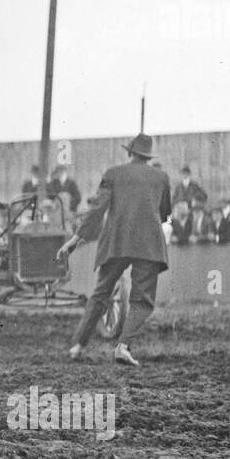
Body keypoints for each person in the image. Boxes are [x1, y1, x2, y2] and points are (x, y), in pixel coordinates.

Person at [59, 133, 171, 367]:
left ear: (129, 152)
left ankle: (78, 345)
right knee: (142, 301)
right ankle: (123, 346)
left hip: (117, 242)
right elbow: (163, 214)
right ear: (148, 156)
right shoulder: (161, 177)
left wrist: (75, 239)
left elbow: (97, 210)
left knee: (101, 294)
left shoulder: (112, 174)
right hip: (148, 244)